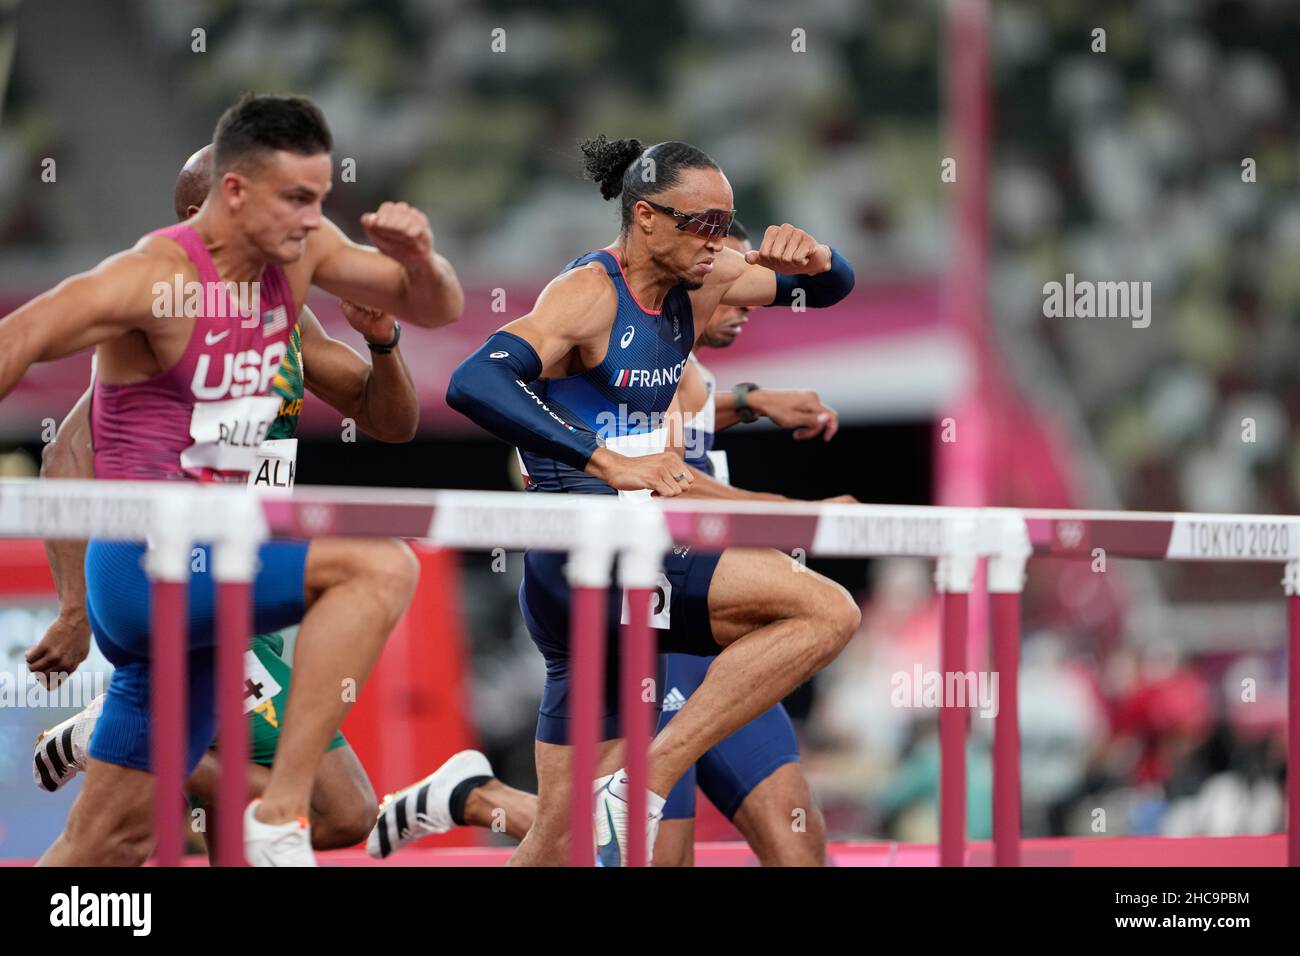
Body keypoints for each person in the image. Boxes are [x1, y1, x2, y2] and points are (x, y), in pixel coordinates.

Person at [0, 93, 463, 866]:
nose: (314, 221)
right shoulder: (153, 280)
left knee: (106, 842)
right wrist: (76, 610)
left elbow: (435, 312)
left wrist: (418, 266)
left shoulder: (297, 275)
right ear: (227, 198)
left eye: (319, 201)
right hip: (149, 562)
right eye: (297, 201)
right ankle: (278, 816)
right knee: (377, 564)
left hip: (228, 570)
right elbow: (22, 345)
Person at [447, 135, 859, 865]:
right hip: (580, 563)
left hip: (641, 560)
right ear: (644, 218)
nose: (718, 242)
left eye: (727, 222)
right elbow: (474, 381)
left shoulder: (705, 279)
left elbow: (830, 291)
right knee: (563, 841)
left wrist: (817, 260)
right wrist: (605, 460)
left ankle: (630, 780)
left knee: (558, 843)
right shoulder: (587, 295)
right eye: (701, 224)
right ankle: (627, 780)